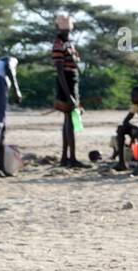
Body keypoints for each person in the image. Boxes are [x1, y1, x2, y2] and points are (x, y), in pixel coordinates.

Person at [52, 15, 86, 168]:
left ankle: (65, 158)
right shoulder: (59, 44)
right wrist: (69, 95)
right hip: (66, 84)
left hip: (72, 83)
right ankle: (71, 158)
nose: (67, 31)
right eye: (65, 29)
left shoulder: (68, 44)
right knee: (70, 121)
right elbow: (60, 71)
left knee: (68, 120)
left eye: (68, 29)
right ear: (60, 29)